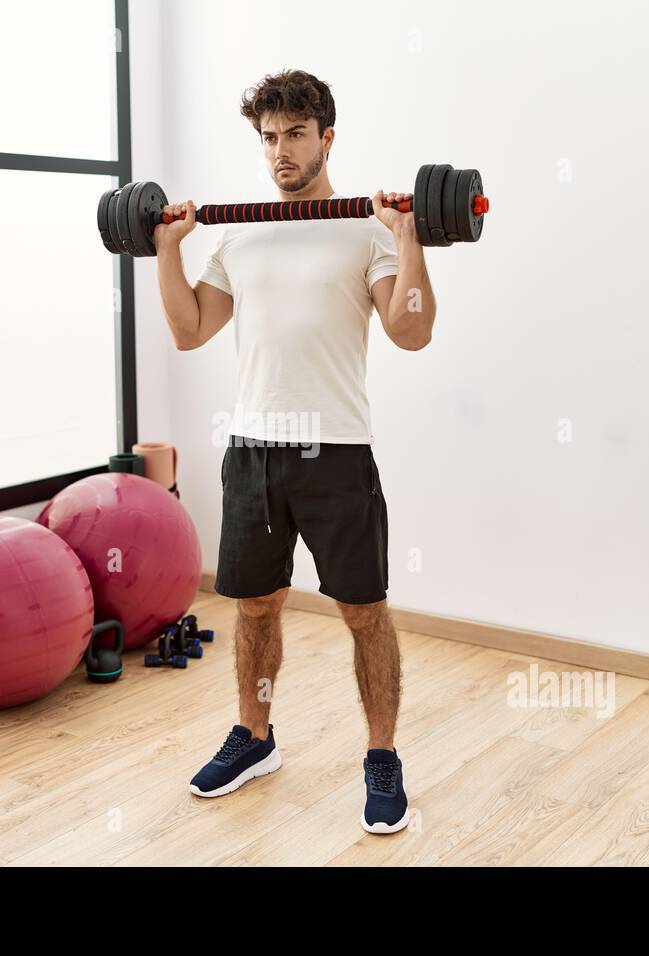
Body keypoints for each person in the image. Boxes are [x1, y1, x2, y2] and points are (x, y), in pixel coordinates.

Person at [153, 69, 436, 834]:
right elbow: (188, 330)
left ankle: (381, 755)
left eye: (295, 135)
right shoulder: (240, 231)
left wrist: (410, 239)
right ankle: (254, 735)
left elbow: (411, 330)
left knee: (363, 611)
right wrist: (168, 253)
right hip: (252, 449)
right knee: (253, 606)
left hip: (336, 450)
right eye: (269, 137)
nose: (280, 151)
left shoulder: (368, 231)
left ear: (326, 137)